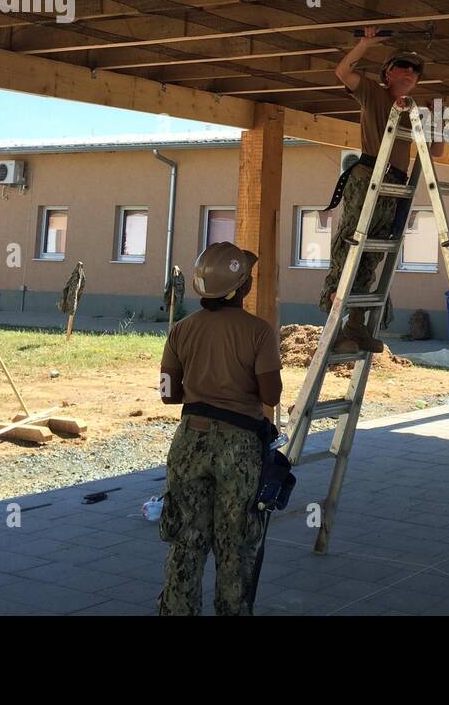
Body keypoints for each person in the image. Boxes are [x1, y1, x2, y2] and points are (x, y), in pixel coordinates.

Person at [157, 241, 282, 616]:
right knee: (236, 545)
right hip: (239, 446)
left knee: (186, 542)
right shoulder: (259, 332)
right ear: (241, 288)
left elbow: (167, 394)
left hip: (189, 441)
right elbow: (271, 396)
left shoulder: (181, 330)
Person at [323, 26, 443, 351]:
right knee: (352, 244)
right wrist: (364, 44)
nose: (409, 72)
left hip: (393, 188)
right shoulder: (374, 94)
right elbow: (342, 71)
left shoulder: (413, 112)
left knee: (372, 256)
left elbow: (435, 153)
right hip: (369, 179)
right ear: (387, 74)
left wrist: (435, 120)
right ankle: (335, 328)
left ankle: (356, 327)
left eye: (414, 70)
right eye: (401, 66)